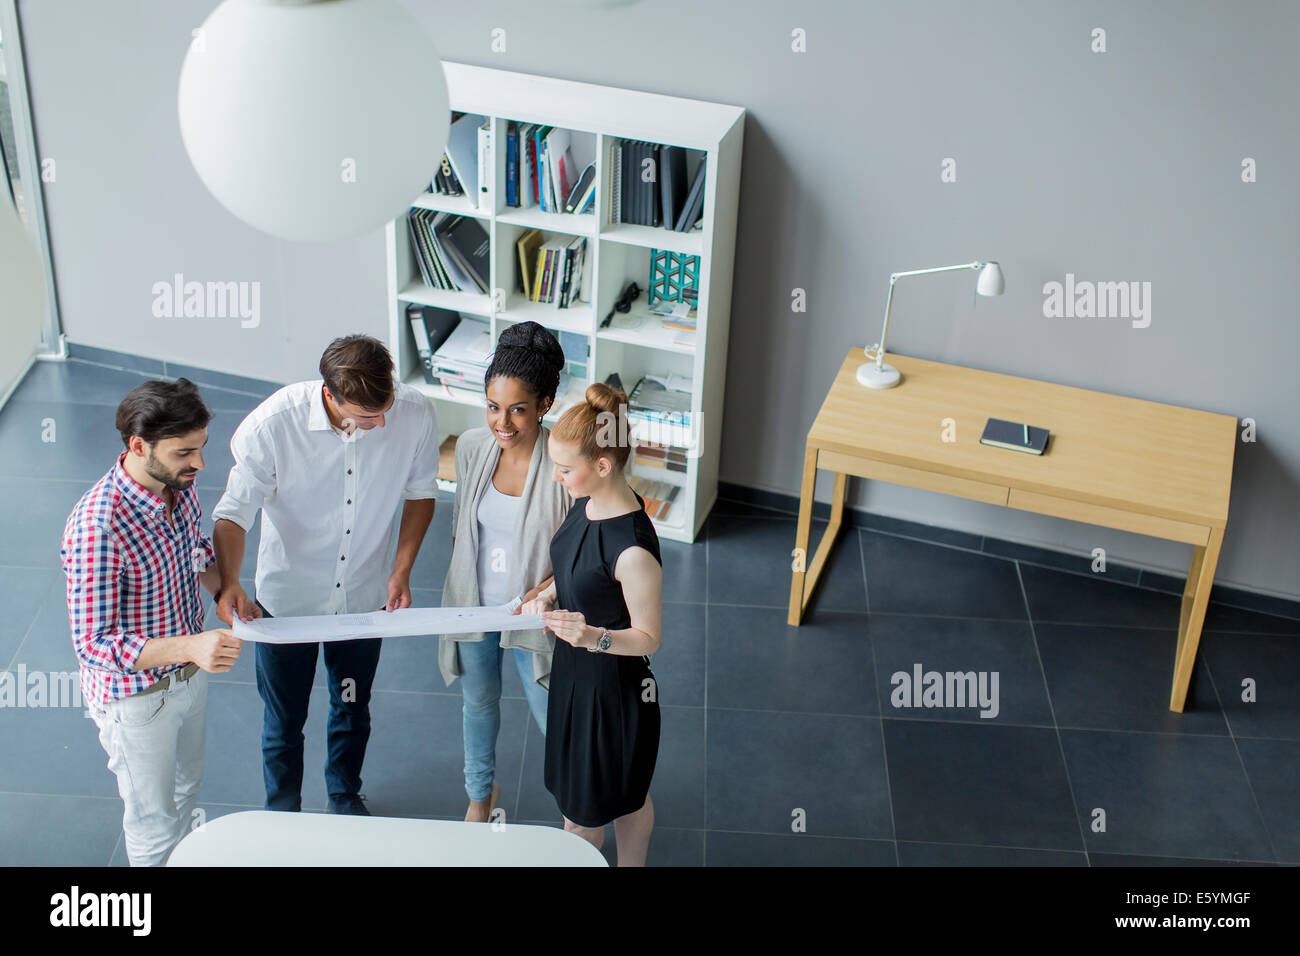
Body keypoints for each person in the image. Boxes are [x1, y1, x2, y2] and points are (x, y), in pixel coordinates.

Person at [211, 335, 438, 815]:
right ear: (330, 395)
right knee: (283, 720)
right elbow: (233, 514)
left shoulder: (414, 414)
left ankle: (344, 794)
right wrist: (230, 581)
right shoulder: (272, 426)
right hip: (287, 599)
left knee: (353, 706)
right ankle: (282, 814)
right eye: (365, 415)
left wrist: (401, 570)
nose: (379, 424)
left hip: (364, 594)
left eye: (384, 408)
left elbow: (421, 494)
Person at [62, 379, 242, 866]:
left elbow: (193, 551)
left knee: (187, 792)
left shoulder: (175, 485)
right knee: (153, 826)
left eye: (200, 449)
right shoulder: (98, 527)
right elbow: (94, 644)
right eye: (186, 452)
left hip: (187, 677)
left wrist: (224, 586)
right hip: (138, 701)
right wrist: (190, 647)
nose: (199, 464)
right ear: (139, 446)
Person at [521, 382, 664, 866]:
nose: (556, 477)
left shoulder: (633, 550)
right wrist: (545, 594)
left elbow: (649, 638)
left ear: (602, 466)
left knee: (588, 813)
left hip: (613, 695)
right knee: (619, 793)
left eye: (564, 469)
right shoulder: (586, 504)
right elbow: (575, 568)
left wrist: (589, 636)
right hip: (575, 677)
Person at [439, 321, 572, 822]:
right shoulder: (474, 447)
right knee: (478, 704)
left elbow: (579, 553)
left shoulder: (564, 461)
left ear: (545, 404)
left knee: (554, 716)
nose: (504, 422)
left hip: (535, 615)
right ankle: (480, 796)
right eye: (494, 406)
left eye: (518, 408)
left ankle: (576, 808)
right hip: (475, 607)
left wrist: (537, 597)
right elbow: (461, 533)